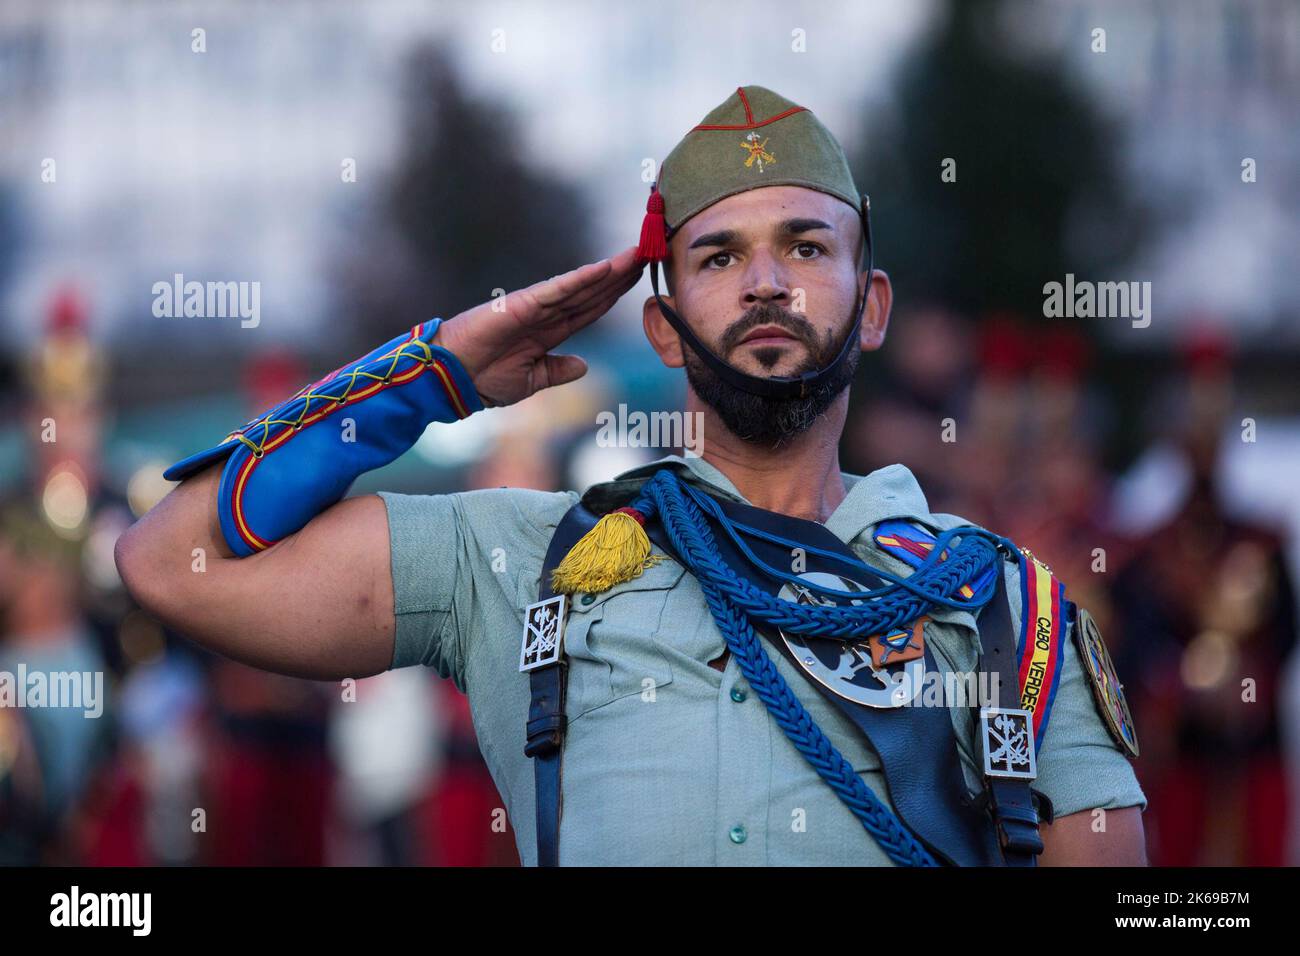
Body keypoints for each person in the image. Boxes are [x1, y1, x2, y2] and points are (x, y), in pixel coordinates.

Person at [115, 85, 1146, 866]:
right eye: (716, 257)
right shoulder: (519, 558)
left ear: (869, 305)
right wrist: (435, 374)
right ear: (660, 326)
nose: (764, 281)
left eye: (803, 245)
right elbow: (173, 561)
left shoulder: (1011, 611)